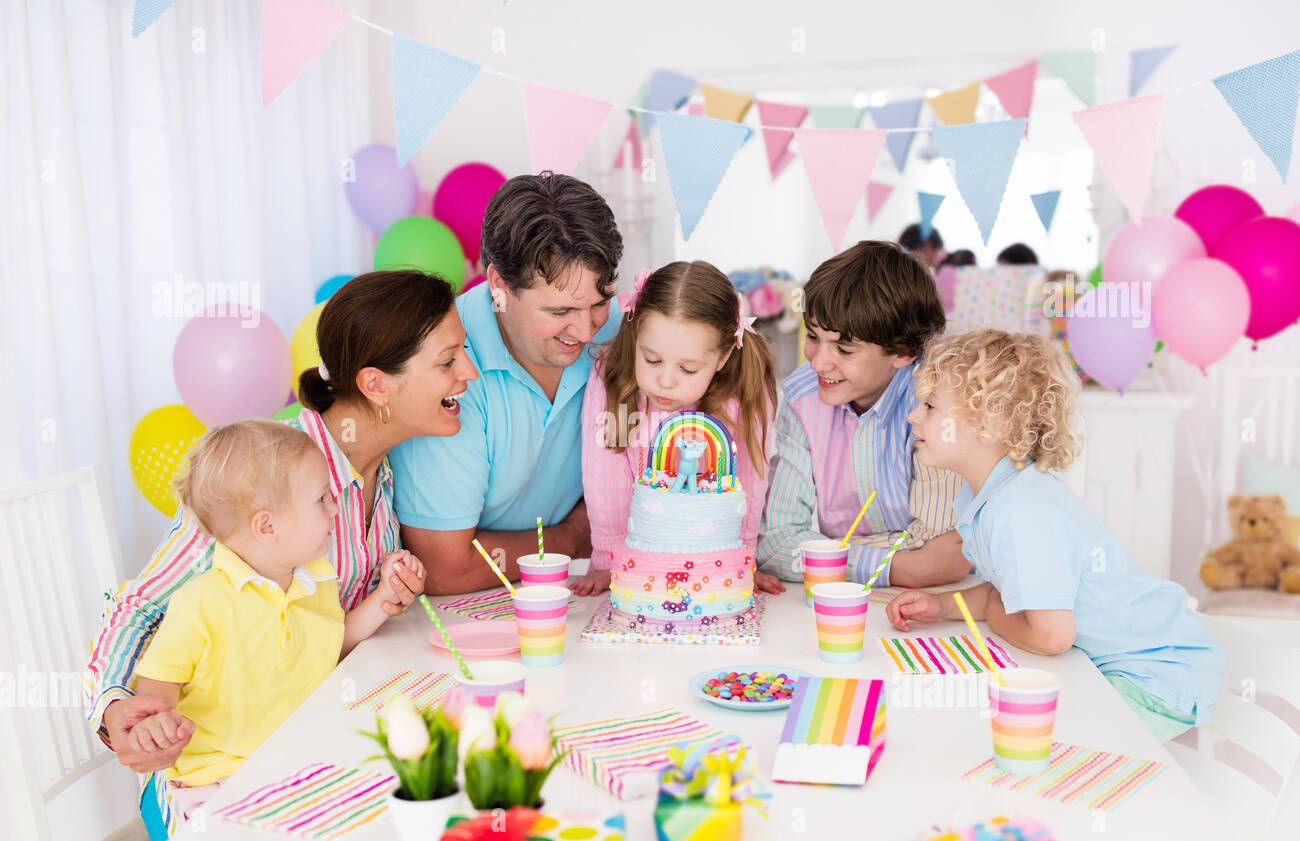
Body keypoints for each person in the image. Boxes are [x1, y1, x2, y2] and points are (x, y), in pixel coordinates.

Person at [87, 269, 476, 841]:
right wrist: (119, 711)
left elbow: (325, 627)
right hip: (217, 782)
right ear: (376, 384)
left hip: (306, 746)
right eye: (448, 360)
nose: (468, 372)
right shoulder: (261, 482)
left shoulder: (383, 474)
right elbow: (141, 609)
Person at [888, 330, 1224, 740]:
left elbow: (1050, 634)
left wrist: (994, 611)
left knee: (1024, 736)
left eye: (929, 405)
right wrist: (942, 607)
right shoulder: (991, 496)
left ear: (990, 423)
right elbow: (1008, 594)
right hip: (1124, 663)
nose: (913, 416)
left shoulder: (1019, 511)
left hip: (1155, 677)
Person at [129, 421, 419, 825]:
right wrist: (156, 720)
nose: (336, 509)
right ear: (267, 526)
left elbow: (333, 641)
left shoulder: (314, 578)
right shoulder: (201, 602)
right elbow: (160, 681)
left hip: (292, 760)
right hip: (219, 782)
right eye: (321, 500)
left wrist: (384, 598)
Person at [391, 173, 626, 594]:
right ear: (499, 286)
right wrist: (574, 536)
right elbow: (444, 566)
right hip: (460, 611)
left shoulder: (623, 334)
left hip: (582, 590)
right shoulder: (444, 366)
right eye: (559, 312)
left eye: (600, 301)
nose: (587, 330)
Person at [757, 241, 970, 589]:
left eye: (843, 348)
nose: (817, 362)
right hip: (848, 601)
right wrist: (899, 568)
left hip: (944, 600)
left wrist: (823, 554)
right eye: (812, 336)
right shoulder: (803, 398)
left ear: (903, 352)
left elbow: (941, 550)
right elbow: (776, 543)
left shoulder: (935, 402)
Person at [571, 260, 782, 597]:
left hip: (713, 571)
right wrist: (607, 561)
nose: (665, 381)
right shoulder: (610, 379)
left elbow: (748, 483)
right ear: (635, 331)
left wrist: (741, 561)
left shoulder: (746, 393)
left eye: (688, 368)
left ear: (724, 356)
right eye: (652, 359)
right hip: (638, 569)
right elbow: (604, 481)